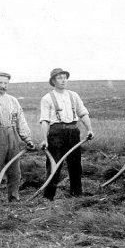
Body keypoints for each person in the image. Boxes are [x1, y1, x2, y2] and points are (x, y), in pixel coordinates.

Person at [0, 72, 35, 202]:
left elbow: (21, 120)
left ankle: (14, 198)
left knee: (15, 170)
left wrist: (27, 139)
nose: (3, 85)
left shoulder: (13, 101)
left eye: (5, 83)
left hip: (12, 135)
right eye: (0, 82)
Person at [38, 68, 94, 200]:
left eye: (64, 77)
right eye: (59, 78)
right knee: (54, 165)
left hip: (73, 132)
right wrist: (44, 139)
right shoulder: (47, 98)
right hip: (56, 133)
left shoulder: (73, 95)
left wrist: (90, 129)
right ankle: (48, 197)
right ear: (53, 81)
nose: (63, 80)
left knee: (75, 165)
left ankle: (77, 195)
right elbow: (45, 120)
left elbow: (83, 113)